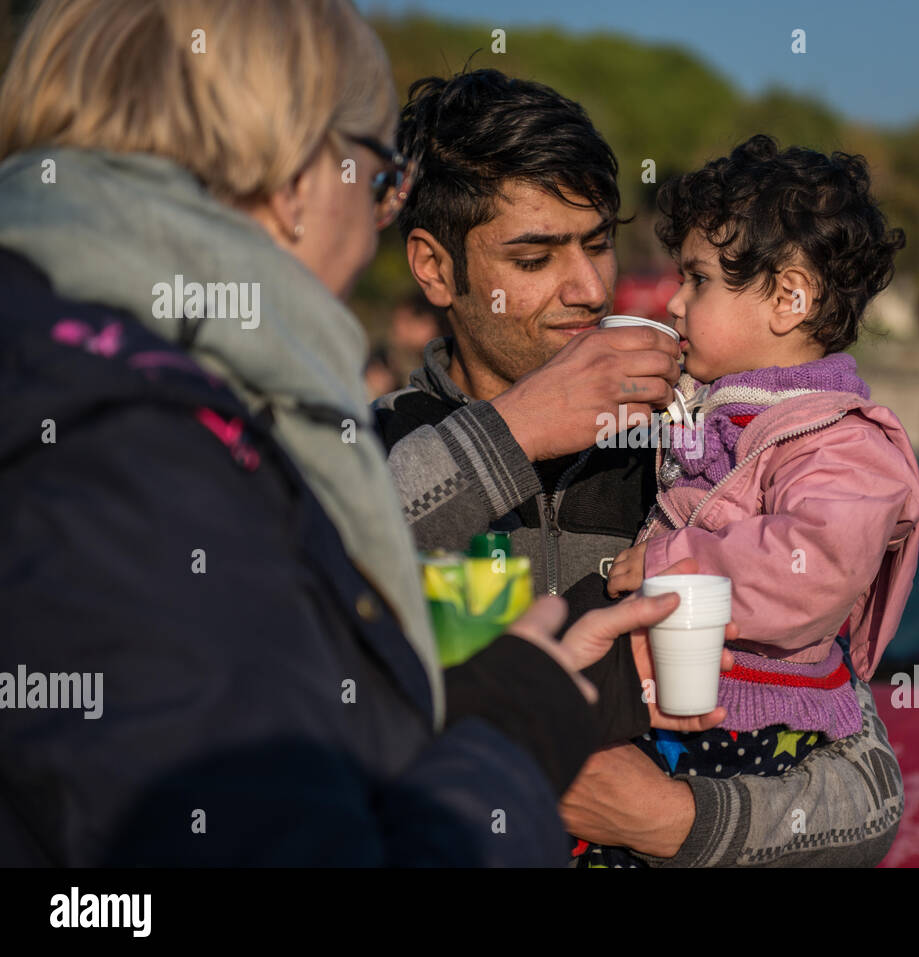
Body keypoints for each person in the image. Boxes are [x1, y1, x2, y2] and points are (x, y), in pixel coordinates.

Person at [0, 0, 706, 866]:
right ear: (296, 184)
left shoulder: (88, 379)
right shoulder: (145, 445)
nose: (589, 287)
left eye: (600, 245)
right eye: (378, 178)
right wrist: (515, 736)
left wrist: (646, 794)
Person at [375, 69, 908, 866]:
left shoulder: (690, 445)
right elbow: (293, 587)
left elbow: (872, 797)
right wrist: (513, 431)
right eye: (535, 256)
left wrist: (674, 818)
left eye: (597, 243)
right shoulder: (374, 447)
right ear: (435, 269)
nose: (590, 288)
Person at [581, 136, 919, 866]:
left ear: (790, 297)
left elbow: (814, 567)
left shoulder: (840, 441)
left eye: (698, 281)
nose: (673, 302)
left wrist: (670, 560)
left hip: (754, 737)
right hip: (683, 718)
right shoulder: (725, 415)